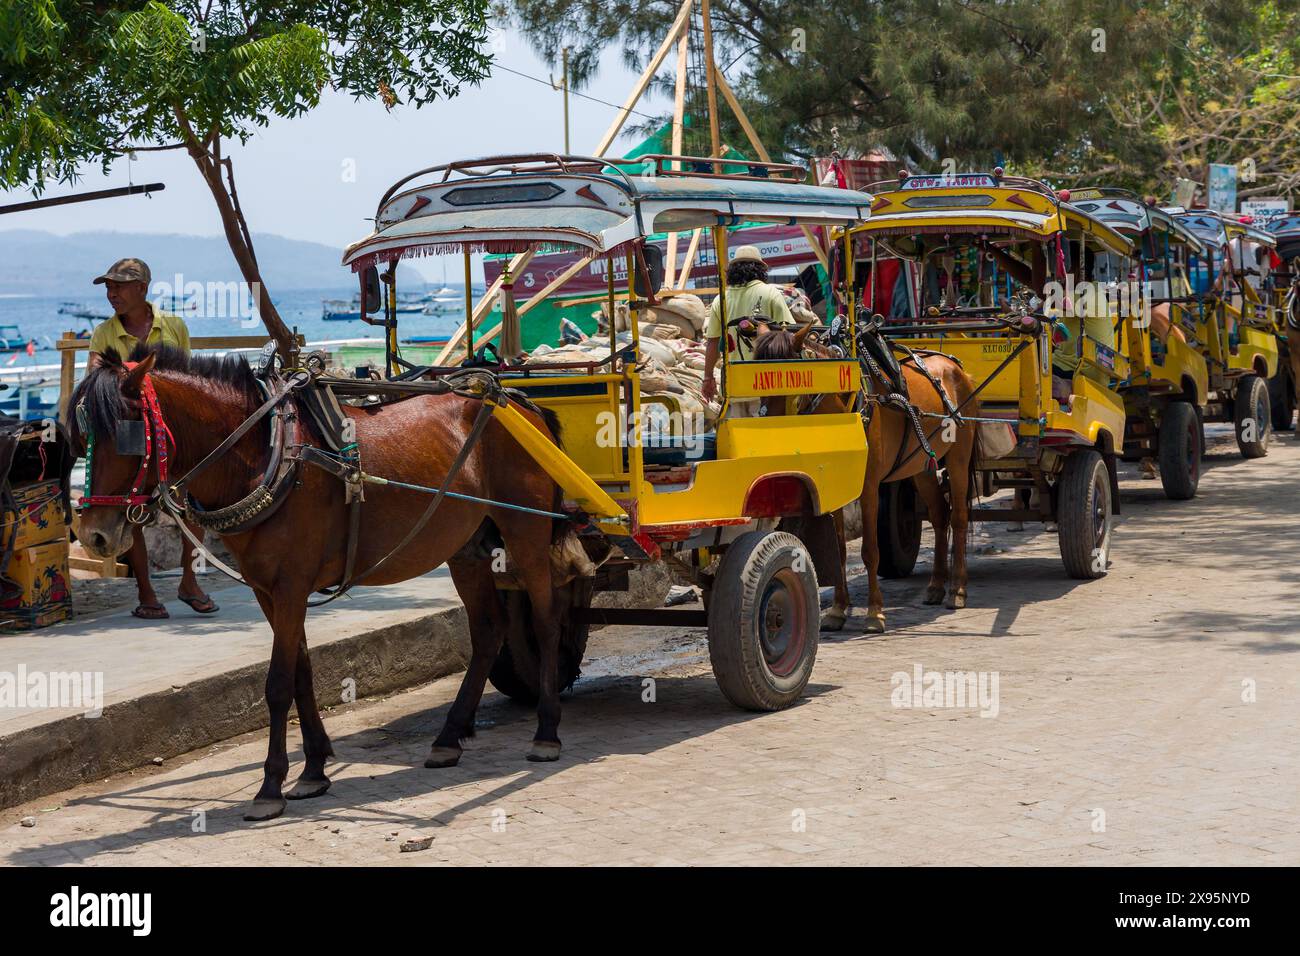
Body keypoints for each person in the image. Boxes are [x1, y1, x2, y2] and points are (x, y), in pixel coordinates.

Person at [88, 258, 219, 619]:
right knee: (131, 507)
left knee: (194, 501)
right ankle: (146, 592)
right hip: (130, 429)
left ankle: (190, 580)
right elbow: (98, 384)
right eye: (108, 287)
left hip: (172, 427)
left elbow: (188, 379)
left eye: (118, 286)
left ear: (142, 288)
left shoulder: (173, 326)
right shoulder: (103, 333)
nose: (111, 293)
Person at [700, 246, 795, 413]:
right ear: (760, 270)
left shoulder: (720, 300)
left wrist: (708, 378)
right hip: (767, 388)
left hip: (734, 386)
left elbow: (712, 343)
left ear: (733, 271)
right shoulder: (770, 293)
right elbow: (789, 335)